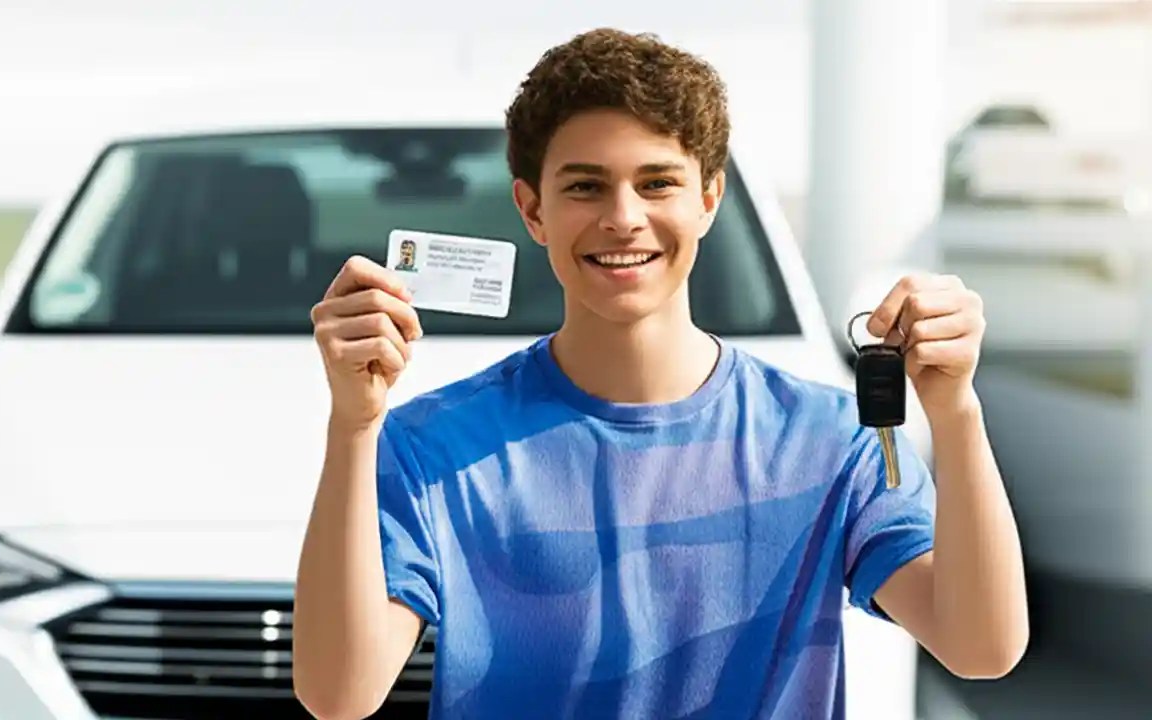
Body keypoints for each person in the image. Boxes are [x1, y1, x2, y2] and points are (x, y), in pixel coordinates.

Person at [292, 28, 1029, 720]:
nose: (623, 217)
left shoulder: (832, 438)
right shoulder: (434, 444)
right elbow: (339, 695)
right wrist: (352, 427)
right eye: (585, 186)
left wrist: (957, 413)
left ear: (708, 197)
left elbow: (982, 648)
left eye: (656, 183)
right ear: (532, 209)